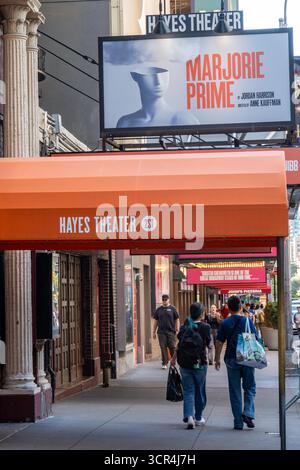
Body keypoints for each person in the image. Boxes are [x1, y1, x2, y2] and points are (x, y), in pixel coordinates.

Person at [214, 295, 258, 430]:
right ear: (240, 306)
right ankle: (249, 413)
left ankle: (238, 422)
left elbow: (219, 342)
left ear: (228, 307)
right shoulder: (247, 321)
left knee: (235, 391)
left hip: (231, 359)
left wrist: (217, 359)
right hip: (247, 358)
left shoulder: (225, 323)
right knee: (250, 387)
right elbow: (255, 338)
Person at [171, 302, 211, 429]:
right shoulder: (205, 327)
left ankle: (189, 417)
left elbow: (178, 345)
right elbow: (208, 344)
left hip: (185, 363)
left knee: (188, 391)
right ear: (202, 314)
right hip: (200, 363)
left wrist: (173, 359)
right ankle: (198, 417)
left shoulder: (184, 327)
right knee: (200, 390)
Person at [117, 67, 199, 128]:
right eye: (150, 74)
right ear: (135, 76)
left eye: (164, 74)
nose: (158, 82)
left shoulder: (184, 120)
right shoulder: (125, 123)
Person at [152, 294, 180, 369]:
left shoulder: (173, 309)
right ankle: (164, 363)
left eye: (166, 299)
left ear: (168, 300)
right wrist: (153, 332)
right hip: (161, 332)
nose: (164, 301)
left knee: (172, 347)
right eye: (163, 300)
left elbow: (177, 319)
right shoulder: (159, 310)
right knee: (163, 347)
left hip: (171, 331)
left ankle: (173, 361)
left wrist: (177, 330)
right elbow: (155, 321)